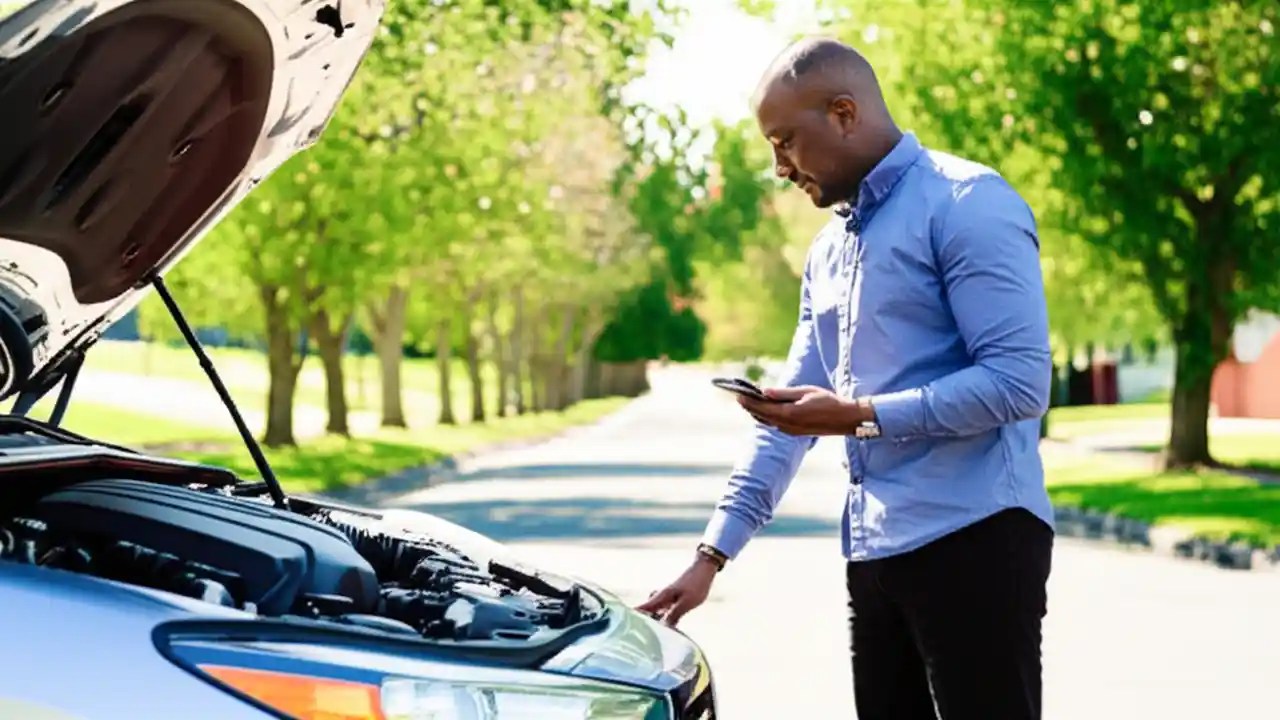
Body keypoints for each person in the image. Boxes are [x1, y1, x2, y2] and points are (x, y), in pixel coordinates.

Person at [637, 37, 1056, 720]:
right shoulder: (830, 250)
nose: (778, 168)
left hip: (977, 539)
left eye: (785, 142)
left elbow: (1017, 384)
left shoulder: (968, 203)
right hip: (875, 552)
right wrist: (711, 556)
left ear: (842, 113)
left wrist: (858, 414)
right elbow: (785, 416)